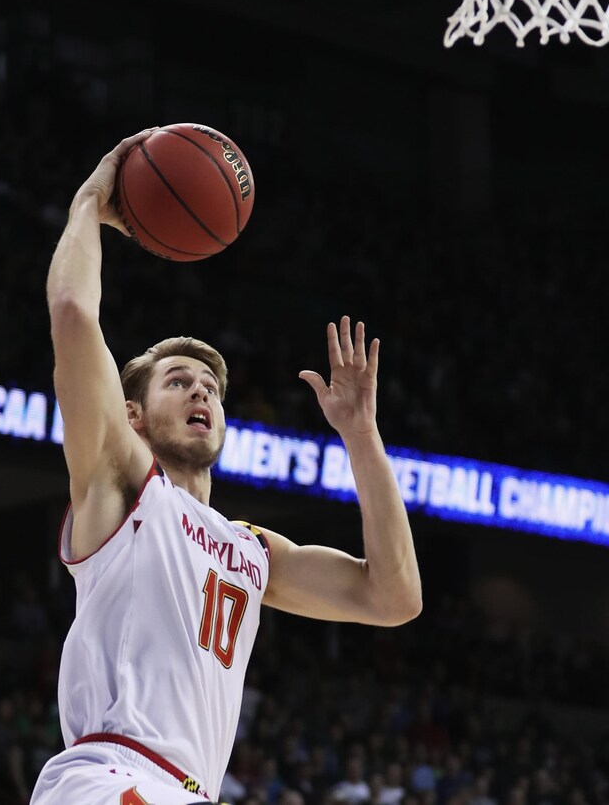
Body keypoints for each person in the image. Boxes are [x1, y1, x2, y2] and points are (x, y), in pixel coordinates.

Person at [29, 128, 423, 805]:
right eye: (179, 380)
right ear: (133, 417)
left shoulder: (251, 550)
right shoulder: (124, 489)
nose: (201, 391)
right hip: (111, 775)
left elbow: (394, 597)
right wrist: (91, 204)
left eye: (210, 386)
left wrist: (361, 434)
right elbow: (71, 311)